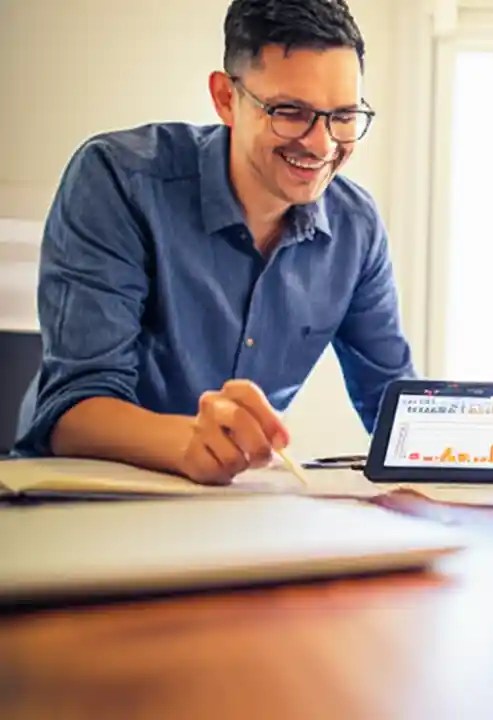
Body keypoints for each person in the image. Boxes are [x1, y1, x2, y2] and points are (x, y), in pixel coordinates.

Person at [14, 0, 414, 485]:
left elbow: (397, 412)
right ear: (226, 98)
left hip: (236, 507)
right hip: (88, 494)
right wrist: (187, 442)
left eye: (344, 116)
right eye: (290, 112)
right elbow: (70, 411)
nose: (322, 144)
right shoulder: (118, 180)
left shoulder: (357, 227)